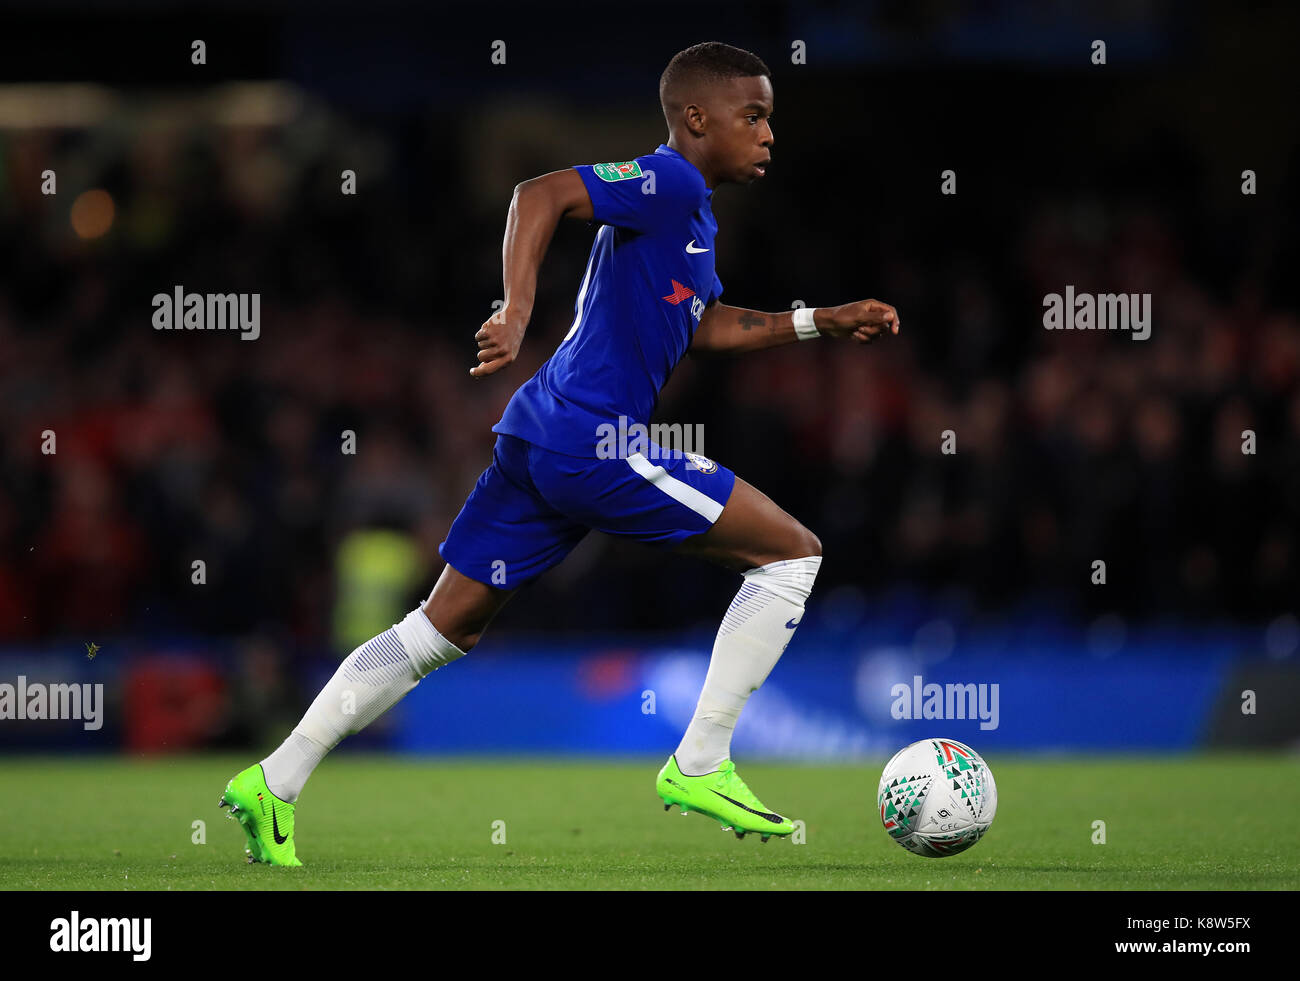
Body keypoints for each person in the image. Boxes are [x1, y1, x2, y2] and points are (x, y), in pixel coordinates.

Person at [219, 41, 900, 865]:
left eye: (769, 119)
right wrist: (513, 308)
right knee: (792, 555)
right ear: (695, 119)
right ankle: (703, 761)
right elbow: (537, 194)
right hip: (591, 438)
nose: (767, 135)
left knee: (438, 631)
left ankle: (273, 780)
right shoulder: (671, 181)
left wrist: (816, 320)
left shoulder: (691, 215)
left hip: (536, 433)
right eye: (751, 116)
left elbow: (708, 325)